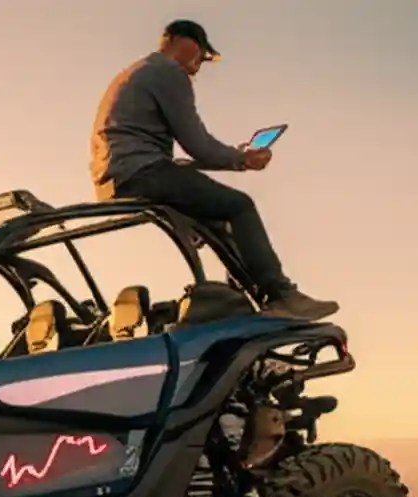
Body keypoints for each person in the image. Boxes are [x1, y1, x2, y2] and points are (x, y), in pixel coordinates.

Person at [89, 19, 339, 321]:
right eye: (202, 55)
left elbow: (184, 152)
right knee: (239, 206)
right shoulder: (168, 73)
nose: (200, 64)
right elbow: (197, 143)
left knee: (218, 218)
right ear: (181, 41)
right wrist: (242, 159)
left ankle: (242, 300)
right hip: (141, 172)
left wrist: (232, 158)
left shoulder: (138, 72)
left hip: (120, 175)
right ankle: (280, 295)